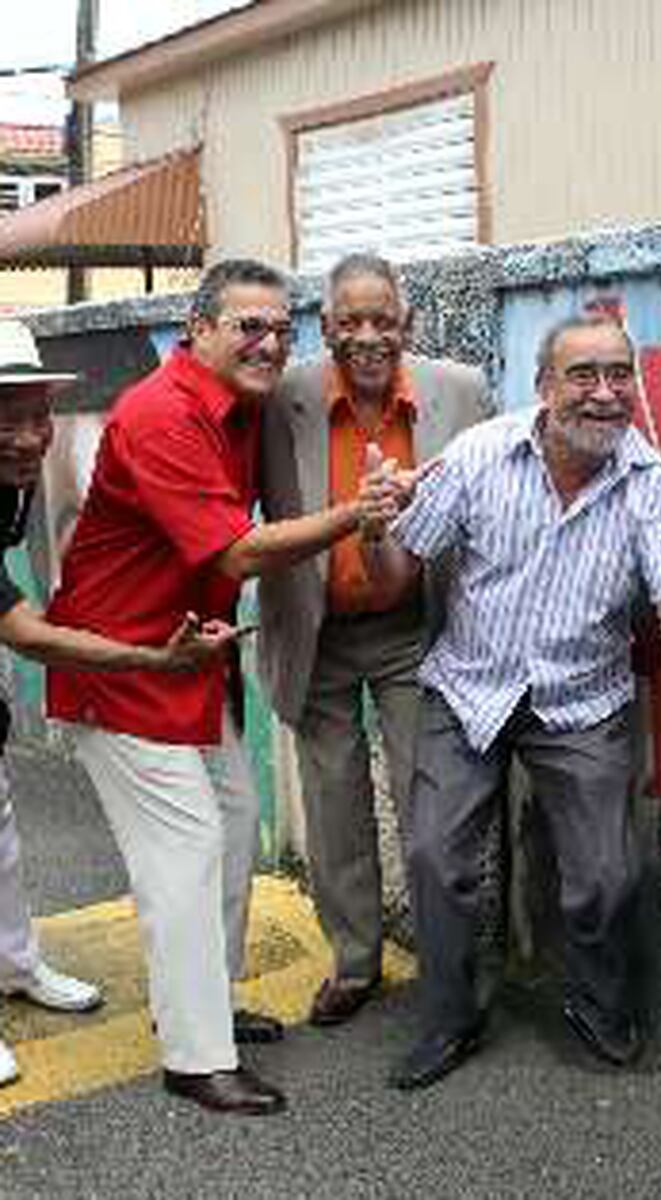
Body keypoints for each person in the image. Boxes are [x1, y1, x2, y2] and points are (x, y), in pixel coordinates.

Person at [45, 260, 400, 1117]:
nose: (270, 343)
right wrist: (358, 513)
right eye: (248, 326)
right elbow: (236, 552)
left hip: (184, 662)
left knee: (235, 822)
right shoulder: (164, 414)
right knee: (186, 851)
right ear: (197, 329)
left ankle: (208, 998)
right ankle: (196, 1056)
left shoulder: (237, 405)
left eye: (282, 328)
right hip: (117, 666)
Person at [359, 313, 661, 1090]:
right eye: (582, 376)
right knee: (436, 857)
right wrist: (376, 525)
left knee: (606, 876)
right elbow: (397, 568)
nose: (603, 394)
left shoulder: (650, 483)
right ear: (544, 387)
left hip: (581, 700)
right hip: (469, 688)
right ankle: (451, 1017)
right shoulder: (481, 454)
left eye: (619, 375)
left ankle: (596, 1004)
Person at [0, 318, 236, 1089]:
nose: (30, 437)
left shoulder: (17, 477)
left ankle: (16, 967)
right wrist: (148, 661)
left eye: (38, 416)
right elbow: (29, 633)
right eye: (8, 419)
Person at [257, 252, 490, 1028]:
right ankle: (355, 963)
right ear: (323, 328)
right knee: (333, 806)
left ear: (407, 324)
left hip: (412, 630)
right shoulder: (278, 396)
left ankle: (444, 962)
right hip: (315, 630)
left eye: (381, 320)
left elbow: (490, 504)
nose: (367, 336)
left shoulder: (460, 392)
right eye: (349, 321)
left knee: (431, 805)